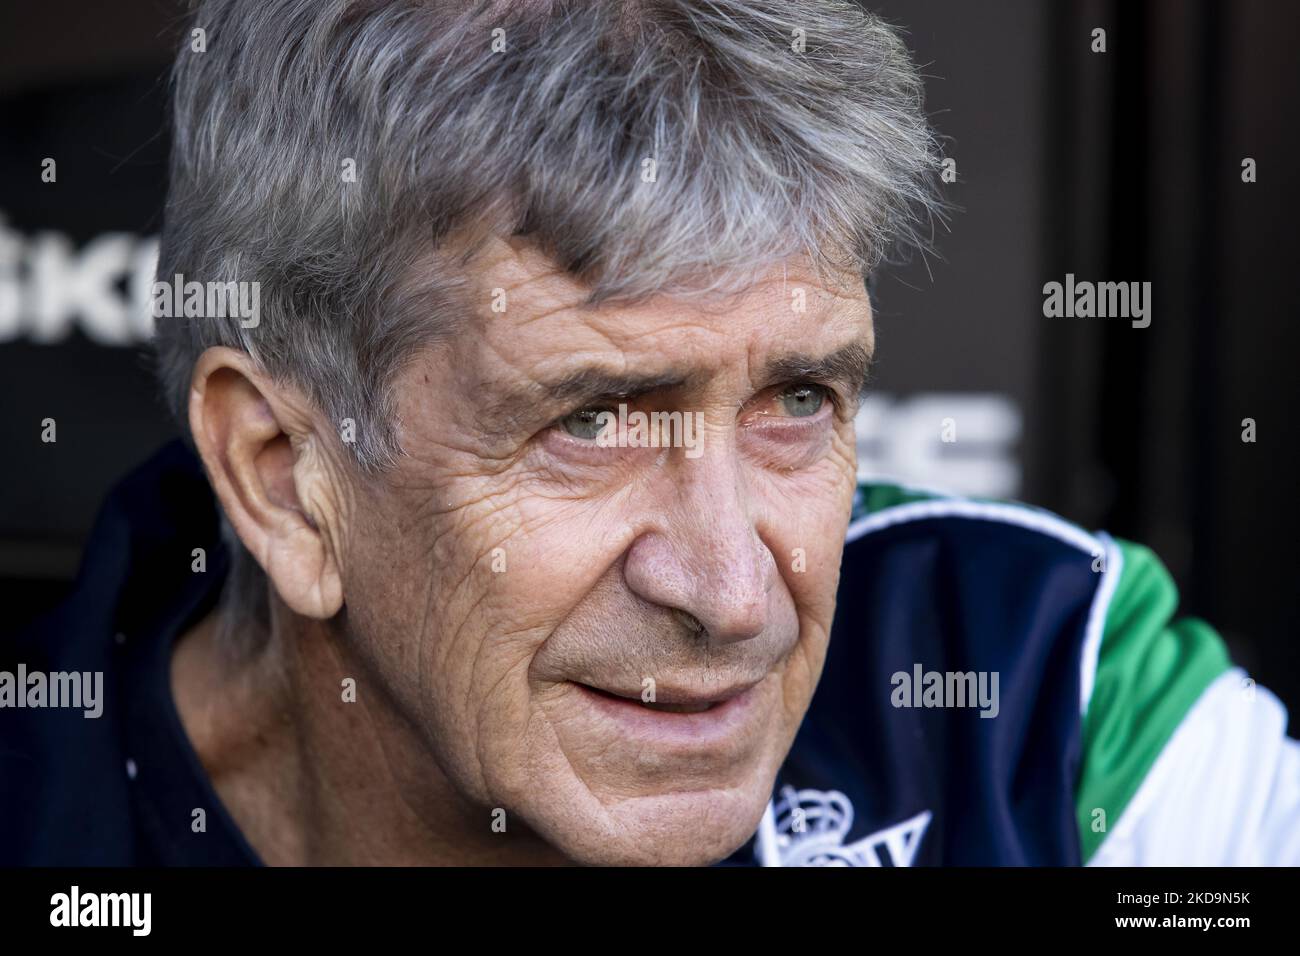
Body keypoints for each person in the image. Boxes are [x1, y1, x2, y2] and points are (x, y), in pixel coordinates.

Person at [3, 0, 1296, 866]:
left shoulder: (1039, 687)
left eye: (799, 400)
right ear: (287, 481)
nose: (738, 594)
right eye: (593, 422)